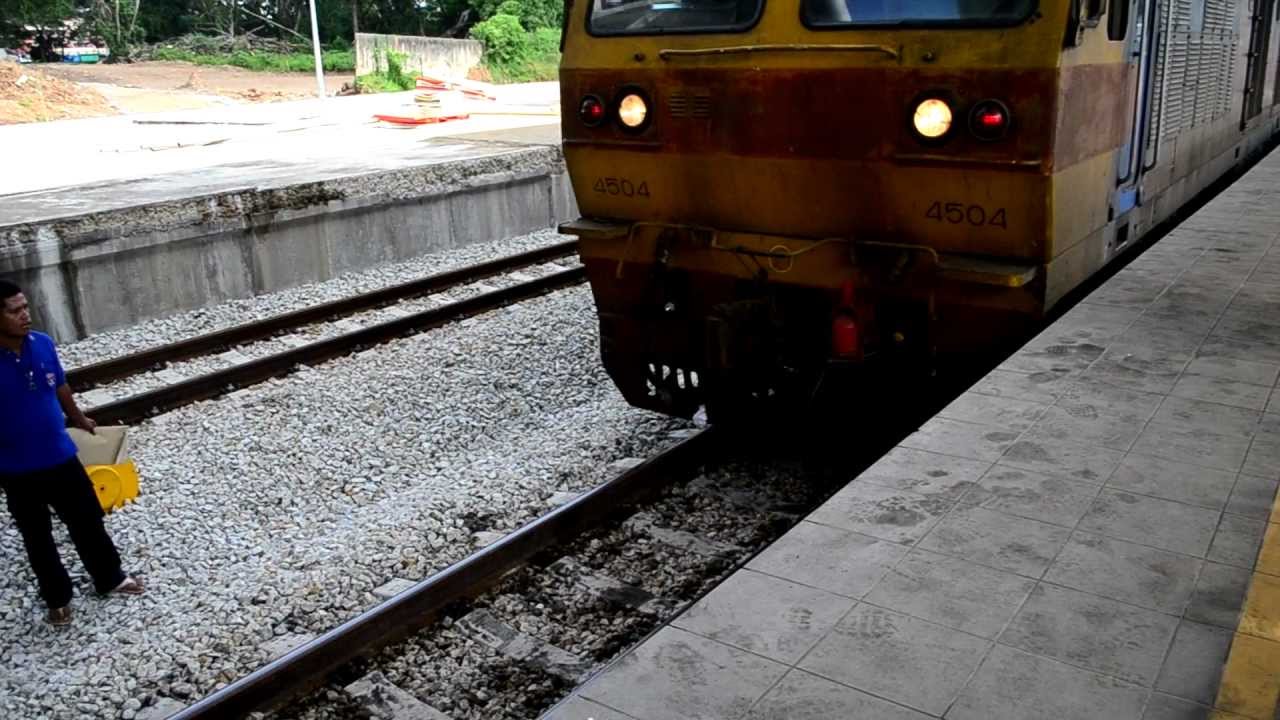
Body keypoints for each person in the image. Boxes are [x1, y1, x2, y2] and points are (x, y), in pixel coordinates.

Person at [0, 280, 144, 626]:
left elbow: (60, 385)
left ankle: (110, 578)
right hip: (17, 469)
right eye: (15, 310)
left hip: (62, 457)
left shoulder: (43, 344)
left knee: (88, 521)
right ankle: (57, 599)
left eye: (26, 307)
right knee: (37, 537)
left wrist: (78, 418)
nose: (25, 315)